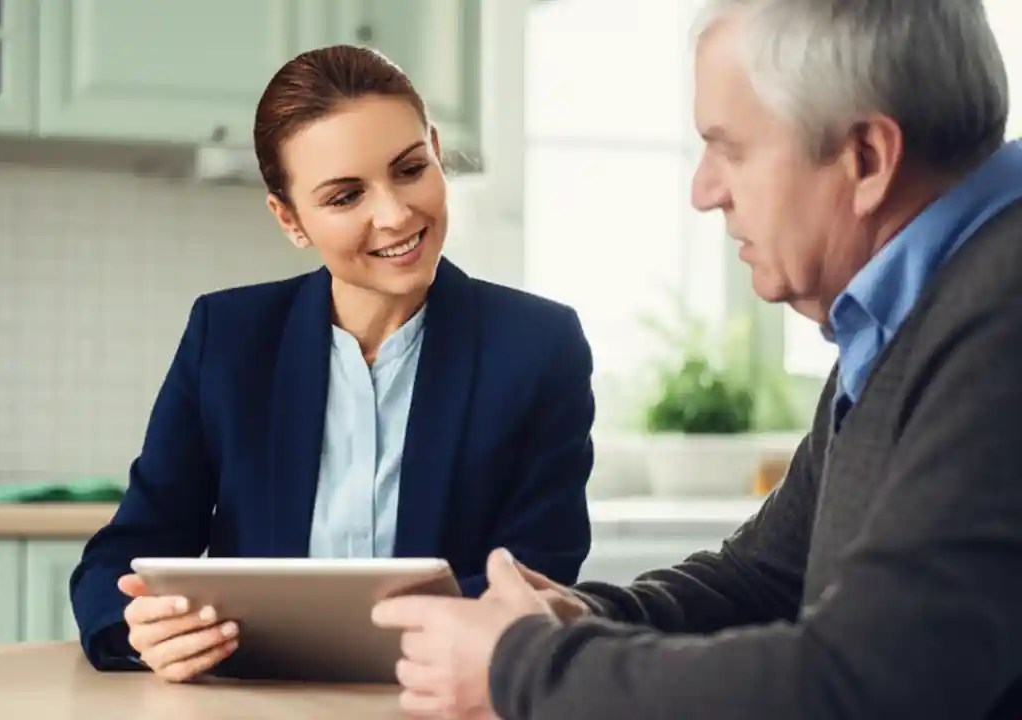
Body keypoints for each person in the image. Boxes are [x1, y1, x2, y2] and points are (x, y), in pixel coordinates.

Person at [372, 1, 1022, 717]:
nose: (704, 190)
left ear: (865, 157)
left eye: (730, 149)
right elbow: (767, 577)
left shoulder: (1000, 316)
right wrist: (581, 618)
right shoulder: (914, 307)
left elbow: (868, 684)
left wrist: (519, 667)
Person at [69, 45, 597, 682]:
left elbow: (544, 569)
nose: (396, 214)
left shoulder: (540, 345)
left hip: (442, 699)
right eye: (346, 196)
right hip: (251, 703)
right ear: (289, 218)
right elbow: (123, 555)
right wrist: (140, 630)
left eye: (409, 169)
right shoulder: (229, 338)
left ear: (434, 148)